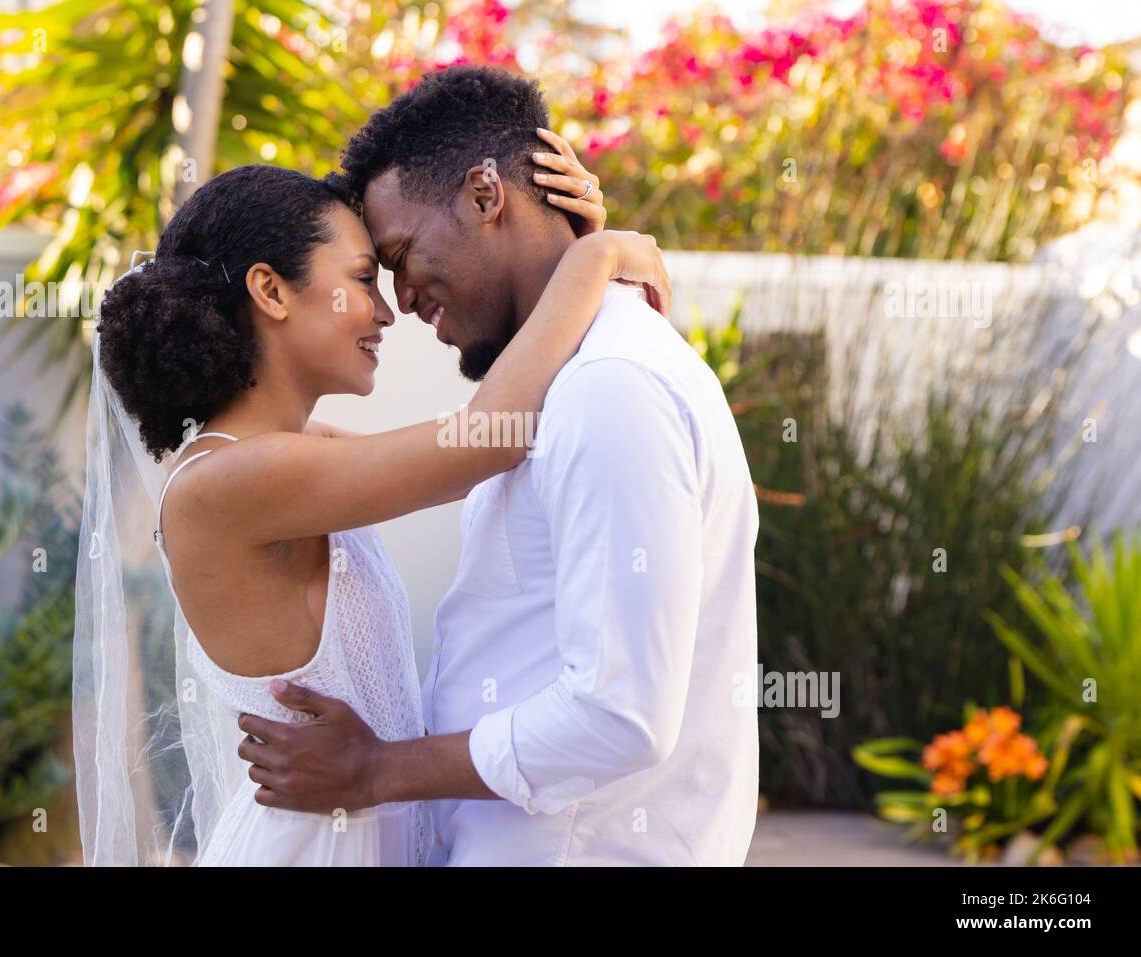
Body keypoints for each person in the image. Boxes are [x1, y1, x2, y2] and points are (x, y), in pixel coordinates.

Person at [75, 142, 671, 865]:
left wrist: (550, 249)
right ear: (270, 291)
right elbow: (486, 439)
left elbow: (507, 414)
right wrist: (591, 260)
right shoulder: (225, 483)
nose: (386, 311)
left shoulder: (296, 455)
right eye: (361, 279)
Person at [237, 65, 761, 867]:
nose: (400, 301)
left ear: (487, 195)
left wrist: (377, 769)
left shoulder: (608, 386)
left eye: (402, 255)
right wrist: (594, 257)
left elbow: (620, 713)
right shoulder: (562, 382)